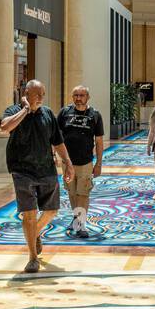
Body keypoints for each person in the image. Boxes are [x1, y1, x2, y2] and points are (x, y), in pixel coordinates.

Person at [0, 79, 74, 273]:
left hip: (46, 168)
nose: (41, 98)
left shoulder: (48, 113)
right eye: (37, 94)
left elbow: (57, 141)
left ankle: (35, 233)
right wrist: (25, 110)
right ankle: (33, 258)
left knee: (52, 210)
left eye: (43, 94)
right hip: (21, 170)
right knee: (29, 214)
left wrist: (68, 162)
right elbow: (5, 127)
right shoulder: (12, 111)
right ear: (26, 94)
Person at [56, 85, 104, 237]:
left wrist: (99, 164)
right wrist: (53, 155)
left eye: (82, 95)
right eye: (75, 95)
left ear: (87, 97)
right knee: (72, 193)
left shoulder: (95, 115)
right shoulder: (64, 113)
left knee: (83, 193)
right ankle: (76, 218)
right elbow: (55, 137)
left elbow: (99, 141)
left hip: (85, 162)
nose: (78, 98)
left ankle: (81, 223)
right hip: (67, 162)